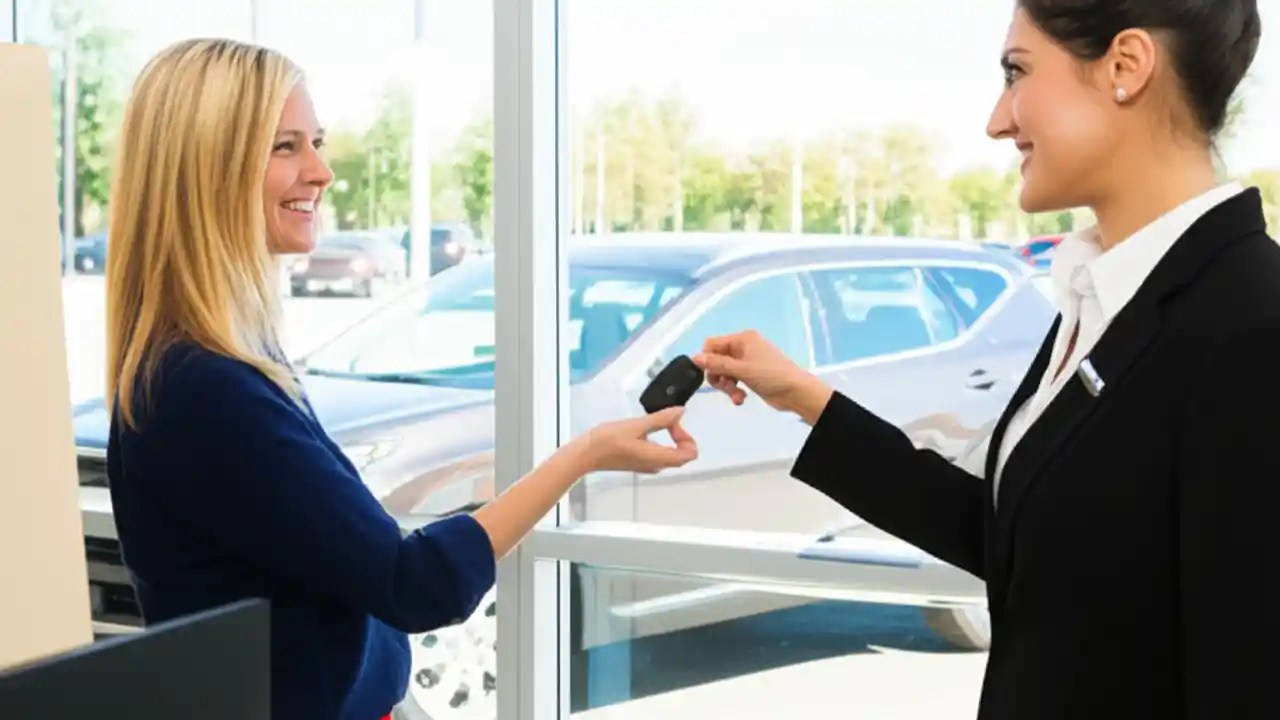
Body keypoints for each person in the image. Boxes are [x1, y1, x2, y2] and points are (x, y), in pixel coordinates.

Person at [695, 1, 1276, 718]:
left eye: (1017, 72)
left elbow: (1247, 678)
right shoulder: (1104, 299)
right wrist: (807, 401)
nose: (997, 120)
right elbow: (1022, 540)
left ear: (1126, 67)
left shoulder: (1251, 327)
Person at [102, 39, 697, 720]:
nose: (322, 171)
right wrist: (584, 456)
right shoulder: (206, 389)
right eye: (285, 146)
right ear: (206, 168)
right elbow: (413, 583)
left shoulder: (213, 364)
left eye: (317, 142)